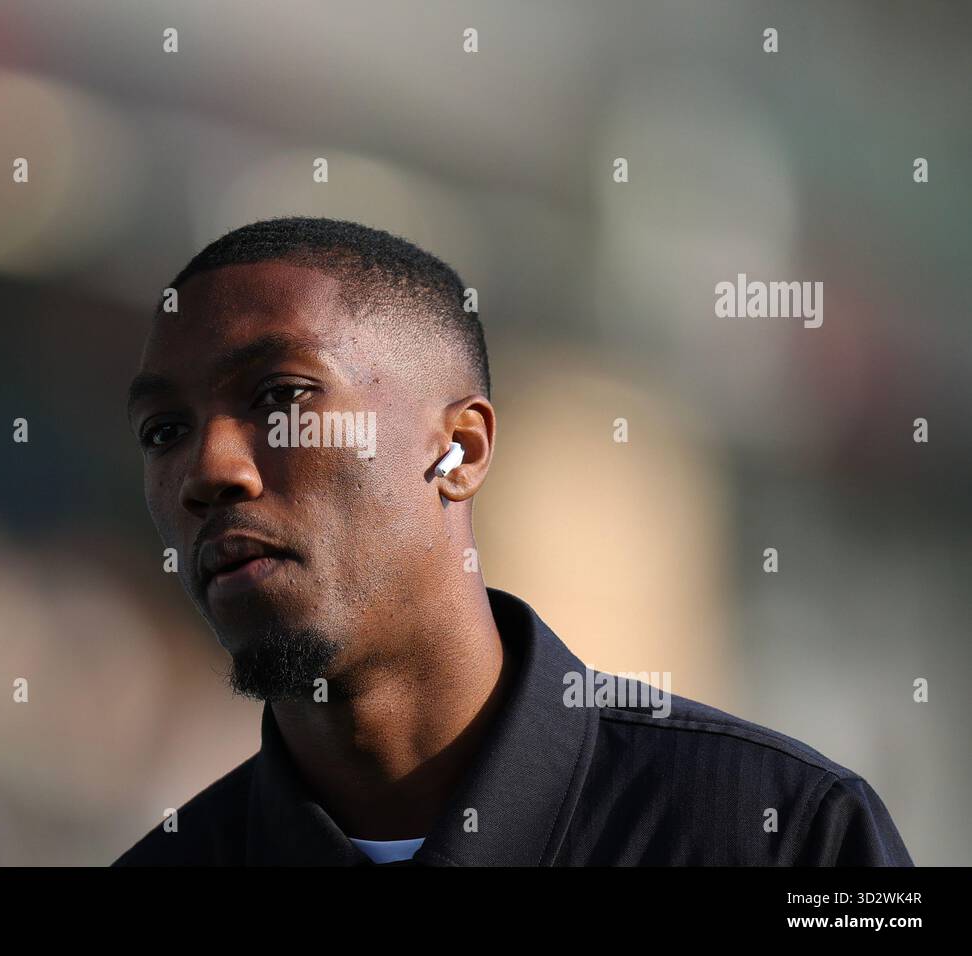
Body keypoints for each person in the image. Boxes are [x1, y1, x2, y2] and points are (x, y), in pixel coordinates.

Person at [115, 216, 912, 866]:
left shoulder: (784, 834)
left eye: (281, 396)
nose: (208, 469)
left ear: (460, 449)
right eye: (163, 431)